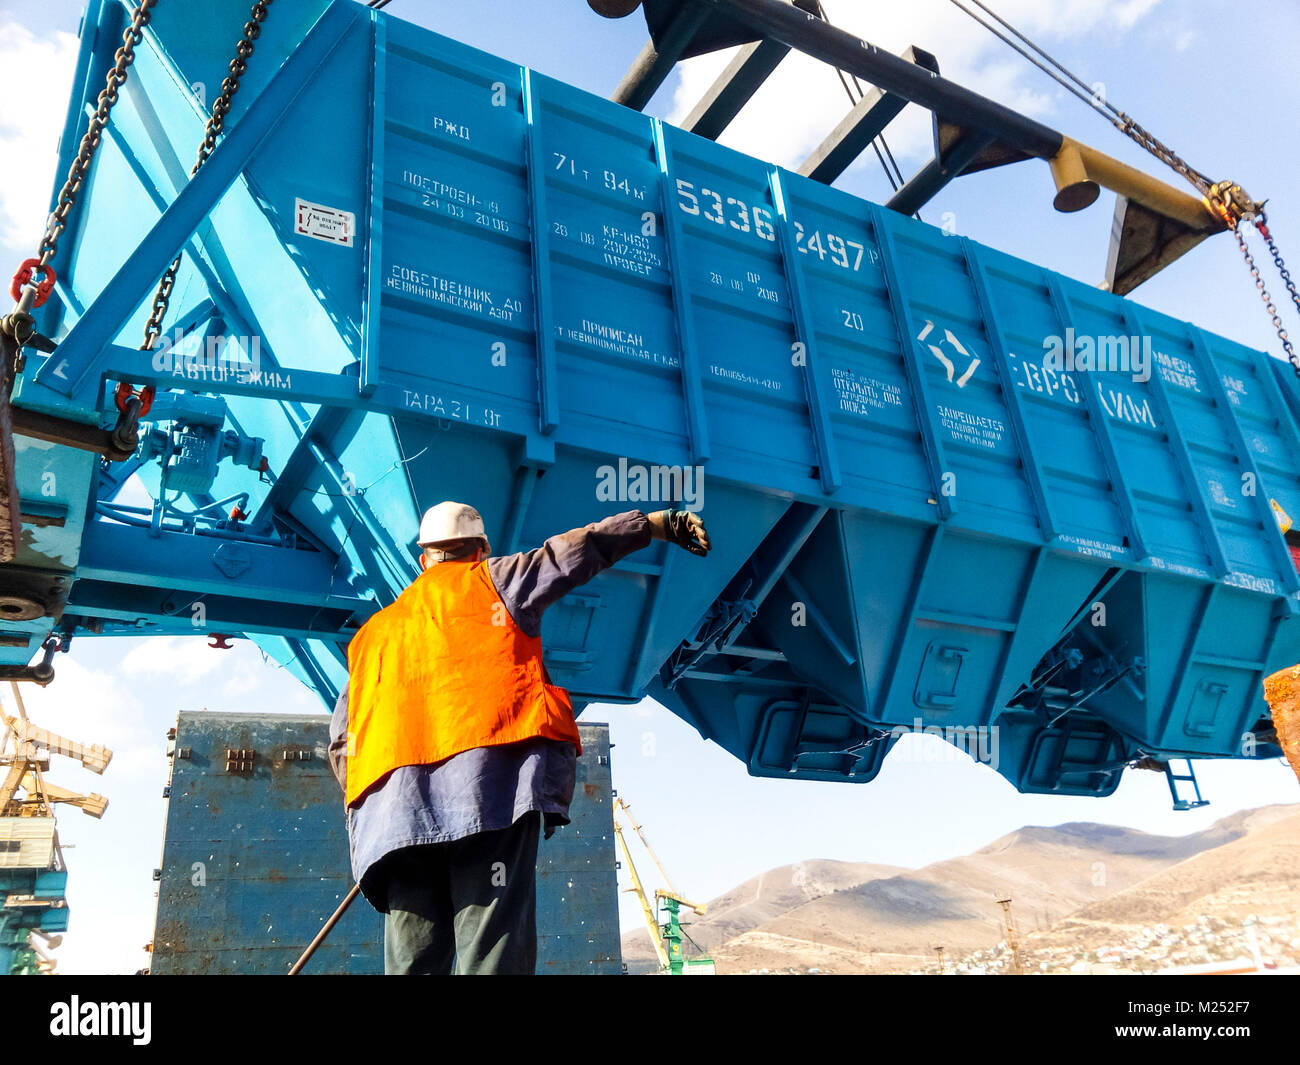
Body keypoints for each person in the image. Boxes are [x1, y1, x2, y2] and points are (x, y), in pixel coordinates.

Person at [328, 502, 711, 974]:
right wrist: (653, 525)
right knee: (491, 952)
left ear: (423, 557)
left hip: (394, 820)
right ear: (480, 549)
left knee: (412, 964)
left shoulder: (372, 637)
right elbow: (569, 554)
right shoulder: (495, 580)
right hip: (489, 794)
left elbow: (342, 744)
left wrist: (381, 811)